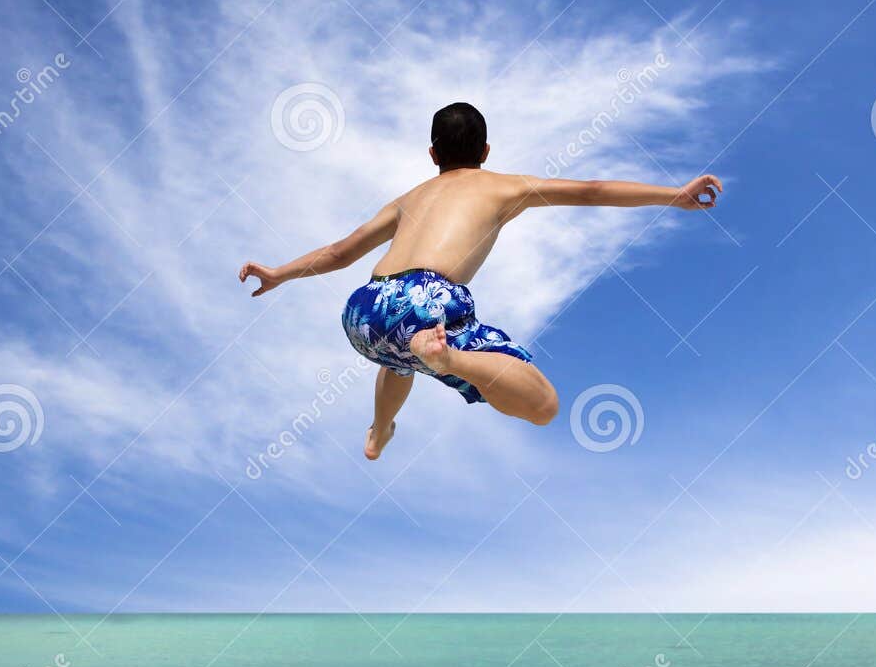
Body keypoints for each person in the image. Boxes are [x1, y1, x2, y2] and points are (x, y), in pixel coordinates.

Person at [238, 101, 721, 459]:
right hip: (425, 300)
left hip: (364, 311)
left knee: (402, 354)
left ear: (432, 153)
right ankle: (447, 356)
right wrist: (674, 195)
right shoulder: (503, 185)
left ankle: (380, 428)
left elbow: (341, 252)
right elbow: (592, 190)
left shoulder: (409, 197)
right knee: (544, 404)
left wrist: (278, 273)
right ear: (486, 150)